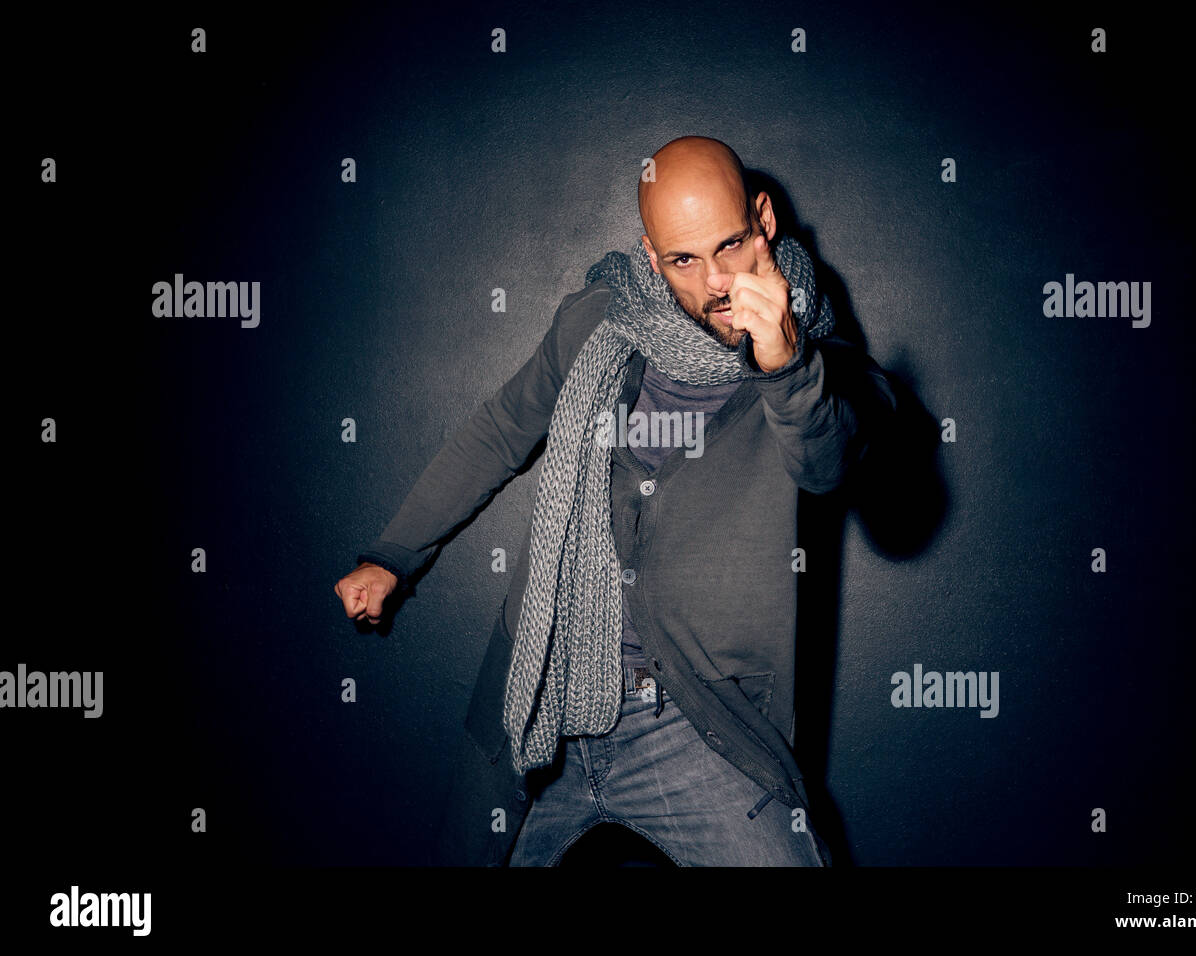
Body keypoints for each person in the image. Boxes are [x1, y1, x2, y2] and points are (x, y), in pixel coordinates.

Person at [334, 135, 897, 866]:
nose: (717, 282)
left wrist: (786, 367)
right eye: (683, 260)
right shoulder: (599, 321)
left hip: (698, 726)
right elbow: (503, 428)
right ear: (651, 253)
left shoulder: (830, 369)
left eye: (730, 244)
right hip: (543, 698)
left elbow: (828, 463)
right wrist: (392, 555)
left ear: (763, 219)